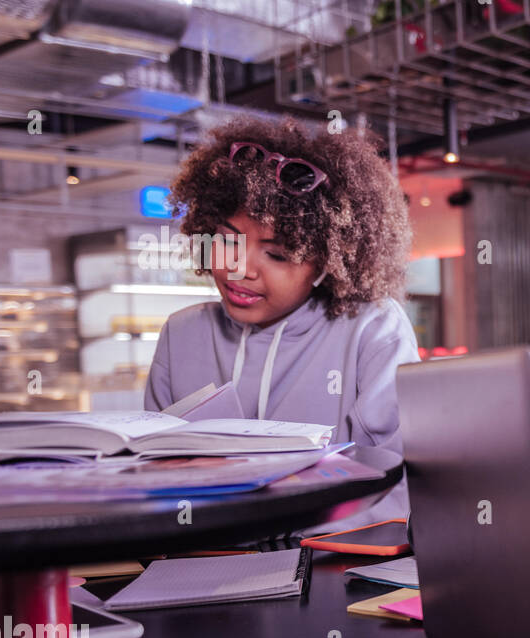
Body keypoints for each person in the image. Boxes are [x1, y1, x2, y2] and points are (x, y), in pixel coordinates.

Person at [145, 115, 419, 525]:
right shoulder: (181, 334)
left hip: (334, 562)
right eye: (225, 240)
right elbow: (153, 474)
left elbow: (401, 484)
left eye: (277, 254)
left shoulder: (372, 329)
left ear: (328, 263)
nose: (239, 268)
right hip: (203, 559)